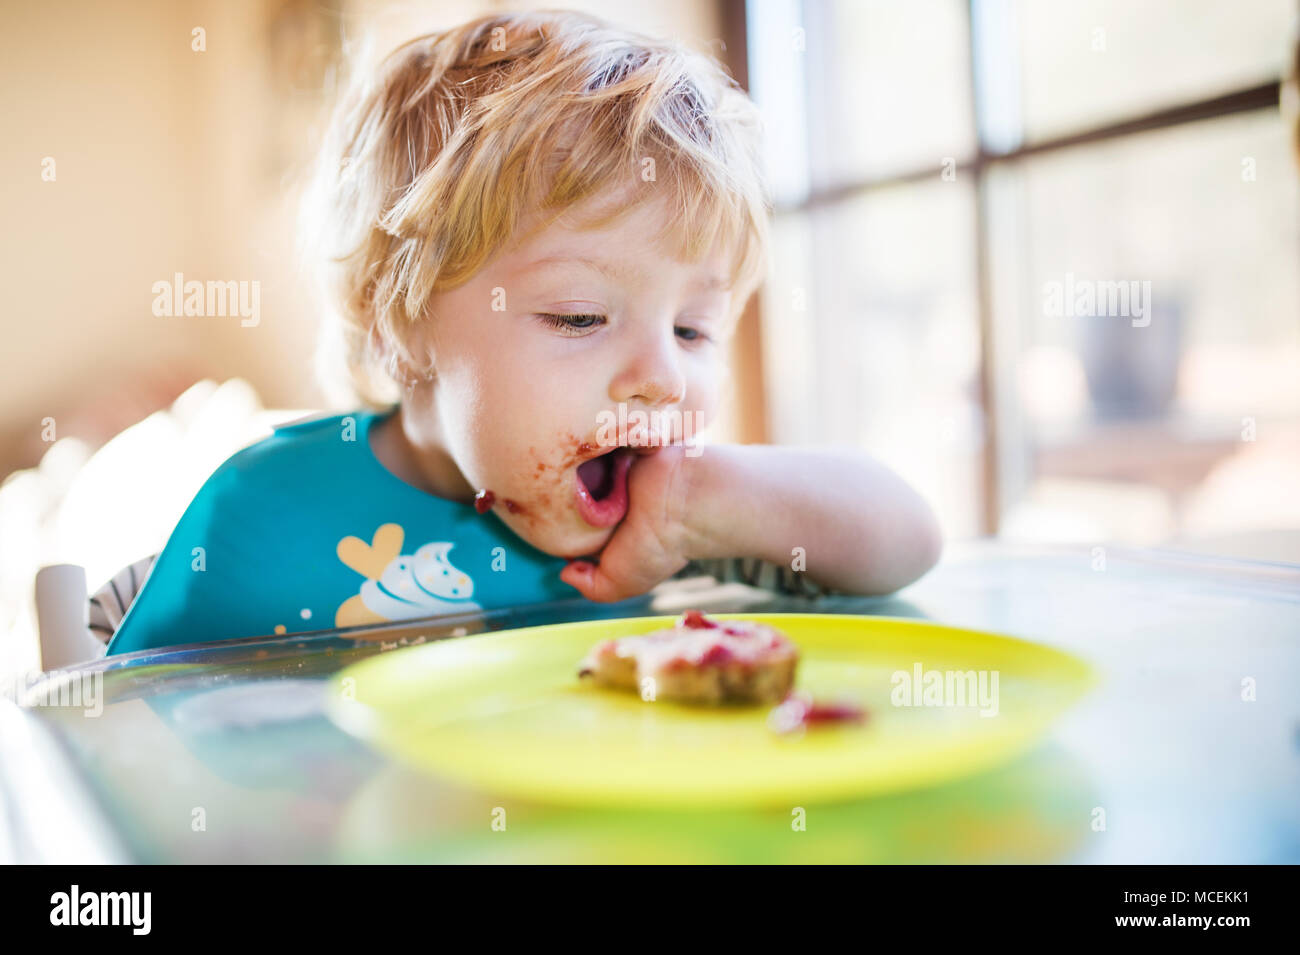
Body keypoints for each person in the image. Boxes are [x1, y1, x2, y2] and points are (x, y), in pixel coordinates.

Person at [98, 10, 941, 656]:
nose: (663, 377)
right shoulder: (264, 516)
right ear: (401, 325)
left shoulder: (661, 521)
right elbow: (118, 731)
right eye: (579, 317)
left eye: (692, 328)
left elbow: (907, 539)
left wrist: (704, 503)